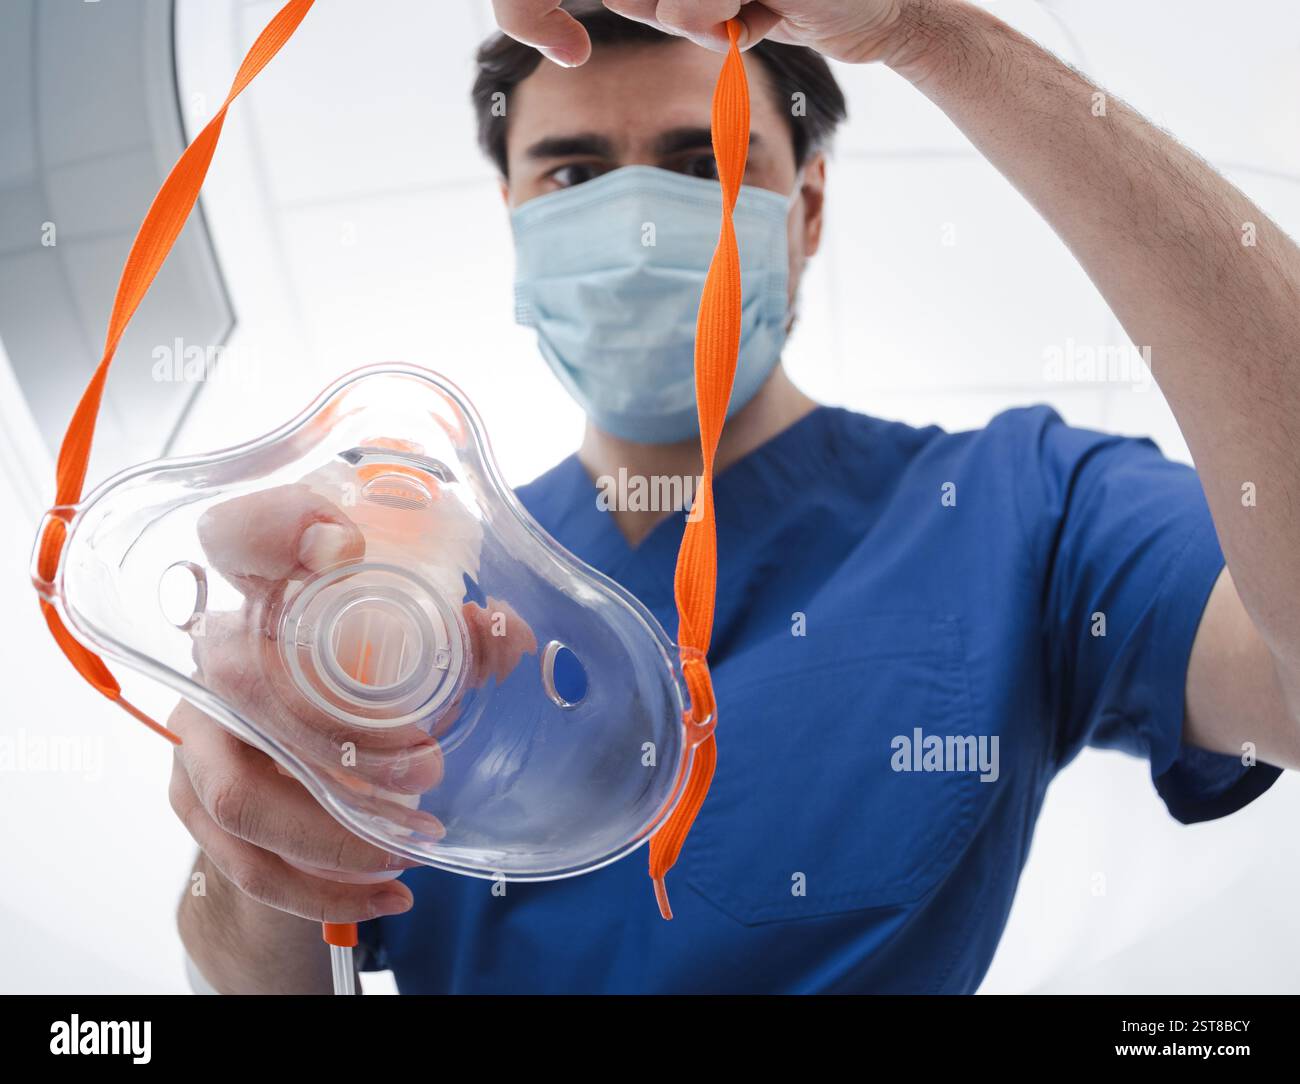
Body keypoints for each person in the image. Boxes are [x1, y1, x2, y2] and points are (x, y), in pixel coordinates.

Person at [174, 0, 1300, 993]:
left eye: (701, 159)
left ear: (806, 211)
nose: (641, 223)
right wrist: (267, 797)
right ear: (513, 217)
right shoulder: (411, 589)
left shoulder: (1026, 510)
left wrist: (929, 30)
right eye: (571, 174)